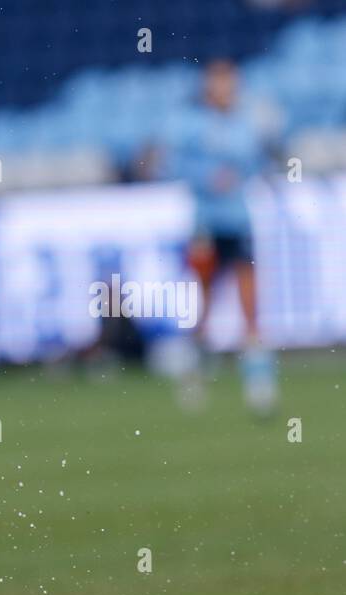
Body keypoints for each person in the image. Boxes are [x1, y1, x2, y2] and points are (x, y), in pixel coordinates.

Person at [166, 59, 279, 414]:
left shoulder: (247, 122)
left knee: (250, 306)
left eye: (230, 83)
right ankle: (194, 376)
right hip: (206, 225)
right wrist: (207, 176)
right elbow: (172, 164)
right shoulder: (190, 124)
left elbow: (261, 161)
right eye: (219, 83)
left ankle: (259, 384)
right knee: (204, 304)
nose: (226, 90)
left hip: (238, 222)